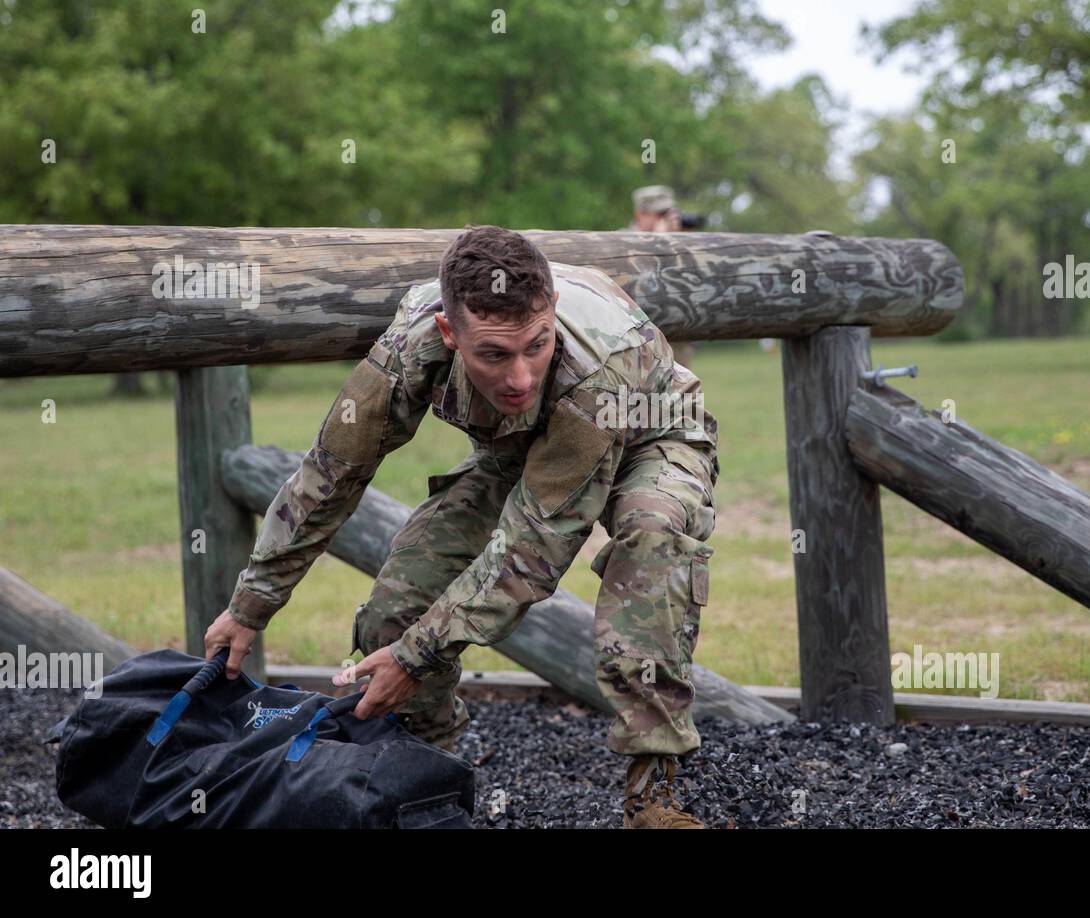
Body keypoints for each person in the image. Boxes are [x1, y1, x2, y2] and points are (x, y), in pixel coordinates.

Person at [203, 225, 719, 829]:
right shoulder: (408, 346)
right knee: (395, 610)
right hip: (518, 450)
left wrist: (417, 656)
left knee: (649, 540)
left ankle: (652, 796)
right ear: (450, 334)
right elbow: (331, 474)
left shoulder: (602, 361)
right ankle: (427, 782)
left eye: (536, 345)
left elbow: (531, 553)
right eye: (494, 356)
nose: (520, 378)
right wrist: (250, 605)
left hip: (649, 433)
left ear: (550, 310)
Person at [626, 185, 696, 369]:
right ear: (640, 215)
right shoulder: (621, 241)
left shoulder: (678, 243)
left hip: (677, 349)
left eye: (669, 213)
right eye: (660, 213)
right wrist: (657, 243)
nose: (667, 219)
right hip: (636, 352)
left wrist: (677, 243)